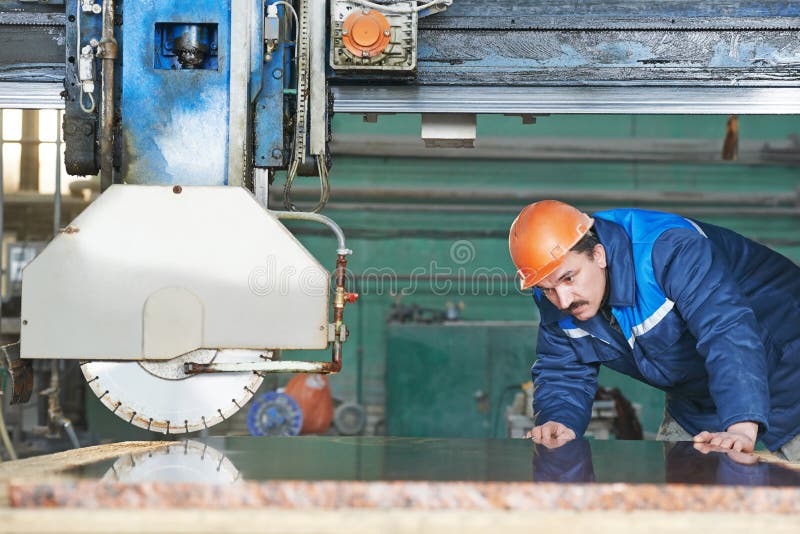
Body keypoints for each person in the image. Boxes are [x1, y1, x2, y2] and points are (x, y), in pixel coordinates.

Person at [508, 200, 800, 460]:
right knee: (680, 504)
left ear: (598, 254)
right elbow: (562, 368)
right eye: (547, 289)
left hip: (788, 374)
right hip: (698, 399)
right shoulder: (556, 294)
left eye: (569, 278)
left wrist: (741, 425)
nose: (563, 300)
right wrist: (559, 420)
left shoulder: (669, 250)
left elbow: (726, 330)